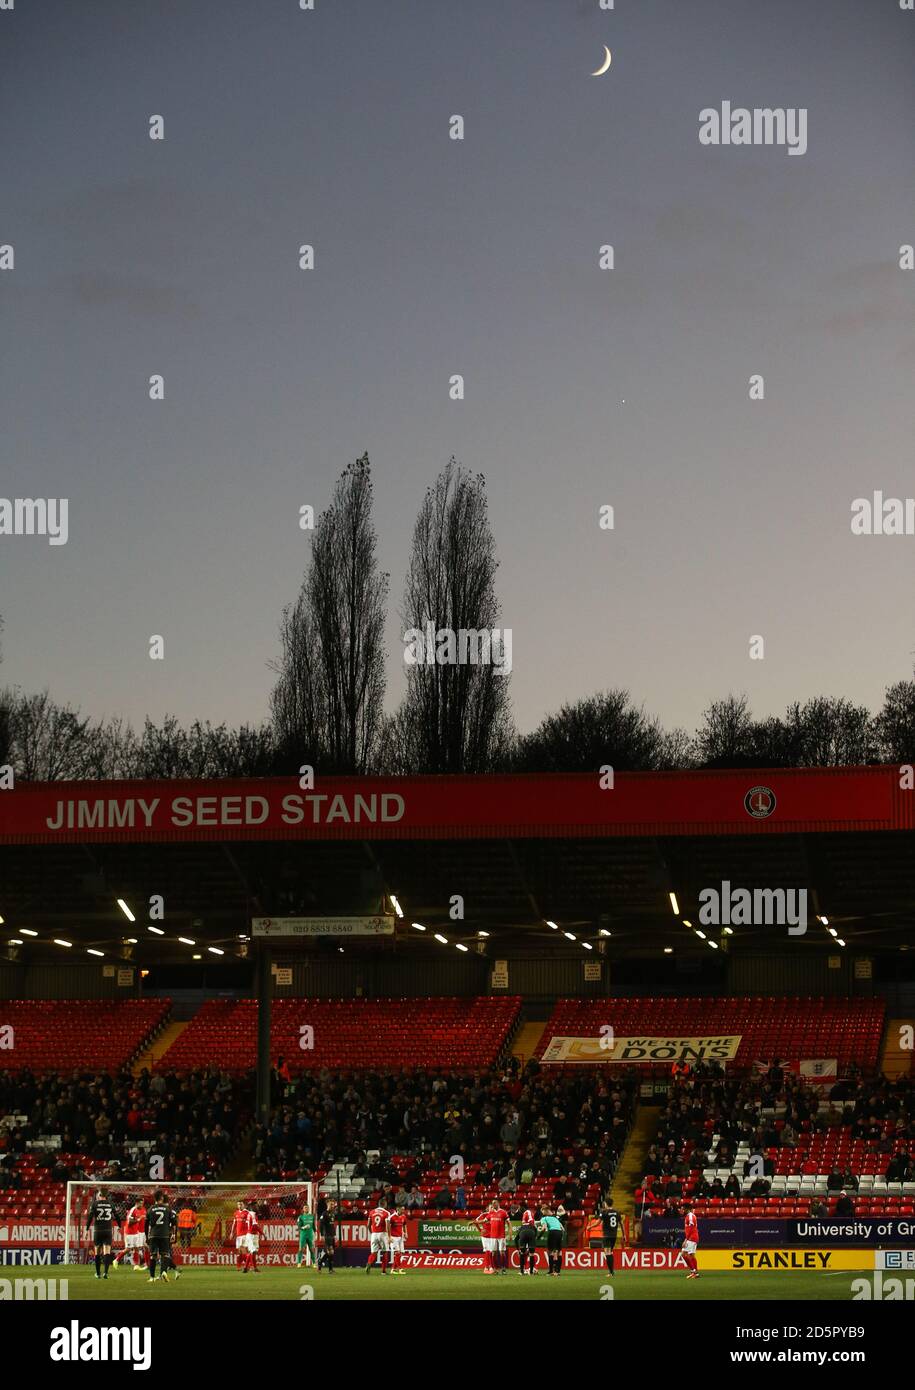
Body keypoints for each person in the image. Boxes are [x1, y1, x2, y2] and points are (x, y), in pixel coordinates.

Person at [86, 1187, 120, 1280]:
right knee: (107, 1252)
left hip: (98, 1231)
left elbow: (90, 1217)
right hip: (108, 1231)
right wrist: (120, 1226)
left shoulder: (95, 1204)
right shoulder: (111, 1204)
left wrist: (86, 1229)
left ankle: (98, 1273)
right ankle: (105, 1273)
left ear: (100, 1194)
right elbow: (117, 1216)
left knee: (97, 1251)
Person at [144, 1189, 174, 1283]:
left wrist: (146, 1236)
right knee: (164, 1254)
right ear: (162, 1198)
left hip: (153, 1234)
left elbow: (146, 1224)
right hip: (164, 1235)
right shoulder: (167, 1209)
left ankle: (152, 1277)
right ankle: (163, 1272)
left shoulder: (150, 1209)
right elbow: (174, 1222)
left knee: (153, 1256)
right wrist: (173, 1233)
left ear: (155, 1198)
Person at [118, 1195, 147, 1269]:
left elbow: (144, 1219)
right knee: (129, 1249)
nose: (142, 1204)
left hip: (140, 1232)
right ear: (137, 1203)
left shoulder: (143, 1209)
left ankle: (139, 1265)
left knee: (139, 1248)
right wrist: (138, 1219)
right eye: (141, 1203)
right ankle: (116, 1259)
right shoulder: (133, 1210)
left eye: (143, 1202)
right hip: (132, 1232)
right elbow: (130, 1222)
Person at [537, 1205, 564, 1277]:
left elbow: (544, 1228)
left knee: (550, 1252)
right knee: (559, 1252)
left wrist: (538, 1237)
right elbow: (562, 1228)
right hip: (560, 1233)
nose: (541, 1212)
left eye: (542, 1211)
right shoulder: (555, 1218)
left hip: (553, 1232)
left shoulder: (544, 1218)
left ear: (544, 1210)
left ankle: (551, 1271)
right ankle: (558, 1272)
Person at [365, 1202, 392, 1274]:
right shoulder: (386, 1213)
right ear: (385, 1205)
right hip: (383, 1233)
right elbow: (387, 1226)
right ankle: (383, 1271)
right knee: (385, 1252)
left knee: (374, 1252)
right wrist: (389, 1237)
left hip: (374, 1234)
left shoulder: (371, 1212)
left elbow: (368, 1225)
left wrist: (372, 1233)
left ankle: (369, 1263)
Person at [487, 1199, 511, 1274]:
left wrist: (510, 1233)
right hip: (493, 1236)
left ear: (498, 1203)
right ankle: (495, 1269)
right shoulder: (491, 1212)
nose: (493, 1204)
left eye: (494, 1203)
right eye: (492, 1203)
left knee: (502, 1252)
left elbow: (509, 1223)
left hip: (501, 1236)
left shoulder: (503, 1212)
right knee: (493, 1252)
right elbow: (484, 1220)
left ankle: (503, 1269)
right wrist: (475, 1222)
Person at [516, 1201, 538, 1276]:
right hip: (531, 1232)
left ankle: (522, 1272)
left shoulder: (528, 1212)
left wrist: (531, 1226)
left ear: (522, 1207)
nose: (518, 1209)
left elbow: (531, 1220)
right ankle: (531, 1272)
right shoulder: (525, 1214)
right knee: (531, 1254)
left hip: (525, 1231)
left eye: (519, 1207)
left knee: (522, 1253)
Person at [600, 1198, 621, 1275]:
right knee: (610, 1252)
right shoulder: (616, 1212)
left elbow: (598, 1223)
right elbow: (621, 1224)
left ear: (606, 1203)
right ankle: (612, 1271)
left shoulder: (604, 1212)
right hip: (614, 1235)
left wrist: (590, 1227)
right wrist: (624, 1235)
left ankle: (611, 1272)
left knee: (607, 1252)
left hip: (606, 1235)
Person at [296, 1200, 317, 1268]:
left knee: (312, 1249)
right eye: (305, 1208)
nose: (306, 1209)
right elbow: (299, 1227)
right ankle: (299, 1263)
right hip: (303, 1235)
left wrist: (315, 1233)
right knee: (301, 1249)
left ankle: (314, 1263)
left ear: (309, 1209)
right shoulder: (300, 1217)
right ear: (303, 1209)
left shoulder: (312, 1216)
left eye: (307, 1208)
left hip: (310, 1235)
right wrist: (304, 1227)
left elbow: (313, 1226)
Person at [681, 1201, 699, 1280]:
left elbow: (691, 1228)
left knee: (684, 1254)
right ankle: (695, 1272)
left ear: (686, 1209)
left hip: (691, 1238)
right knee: (691, 1255)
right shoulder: (688, 1216)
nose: (682, 1210)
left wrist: (686, 1239)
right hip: (691, 1238)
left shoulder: (691, 1216)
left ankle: (693, 1271)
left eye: (683, 1209)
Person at [318, 1200, 336, 1272]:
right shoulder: (324, 1214)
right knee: (330, 1252)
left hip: (332, 1235)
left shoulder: (333, 1214)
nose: (332, 1206)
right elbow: (321, 1225)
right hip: (327, 1235)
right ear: (327, 1205)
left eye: (333, 1205)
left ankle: (328, 1268)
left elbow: (332, 1225)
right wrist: (322, 1235)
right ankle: (322, 1265)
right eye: (331, 1205)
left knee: (331, 1252)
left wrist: (334, 1235)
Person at [231, 1199, 249, 1272]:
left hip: (245, 1234)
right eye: (238, 1204)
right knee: (239, 1252)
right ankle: (239, 1266)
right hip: (238, 1235)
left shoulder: (247, 1213)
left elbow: (249, 1223)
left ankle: (247, 1265)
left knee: (244, 1250)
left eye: (241, 1204)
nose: (239, 1206)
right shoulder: (236, 1213)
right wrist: (231, 1232)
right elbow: (234, 1223)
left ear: (244, 1205)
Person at [388, 1206, 407, 1273]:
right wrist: (389, 1237)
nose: (403, 1211)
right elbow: (388, 1228)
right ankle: (400, 1269)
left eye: (404, 1209)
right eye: (402, 1209)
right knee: (398, 1253)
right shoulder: (391, 1217)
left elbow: (404, 1225)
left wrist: (405, 1233)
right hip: (394, 1238)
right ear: (397, 1209)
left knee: (400, 1253)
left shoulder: (403, 1216)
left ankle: (393, 1269)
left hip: (400, 1237)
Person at [244, 1203, 260, 1273]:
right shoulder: (252, 1214)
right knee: (253, 1251)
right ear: (252, 1208)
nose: (257, 1207)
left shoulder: (250, 1214)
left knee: (253, 1252)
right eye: (256, 1206)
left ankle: (245, 1267)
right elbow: (255, 1226)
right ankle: (254, 1268)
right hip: (251, 1235)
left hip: (253, 1235)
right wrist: (263, 1233)